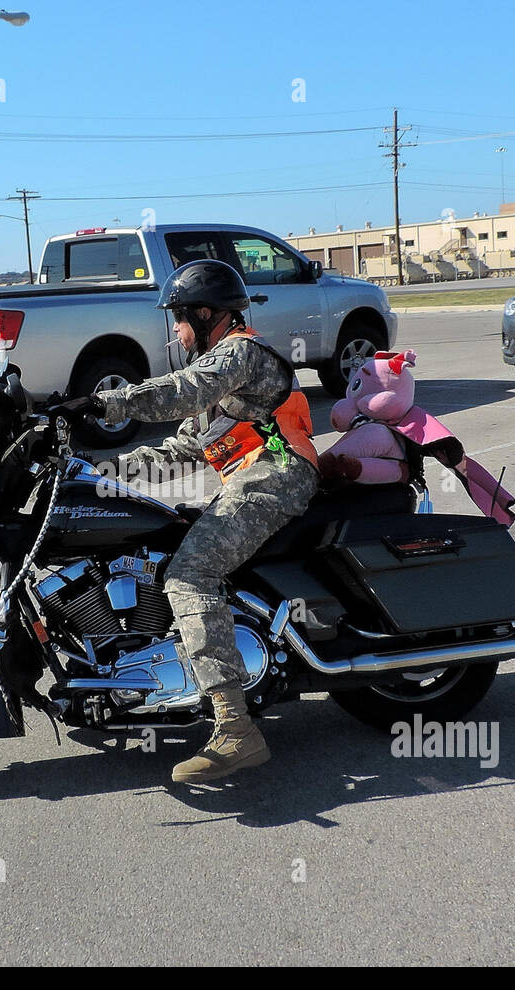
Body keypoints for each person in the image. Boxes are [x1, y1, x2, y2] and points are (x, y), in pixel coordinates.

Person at [50, 260, 321, 783]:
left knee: (189, 573)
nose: (174, 330)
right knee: (162, 543)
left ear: (206, 314)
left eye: (178, 318)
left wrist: (103, 403)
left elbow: (182, 390)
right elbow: (184, 447)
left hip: (278, 475)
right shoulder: (223, 372)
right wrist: (98, 470)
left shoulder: (240, 352)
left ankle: (236, 730)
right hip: (249, 479)